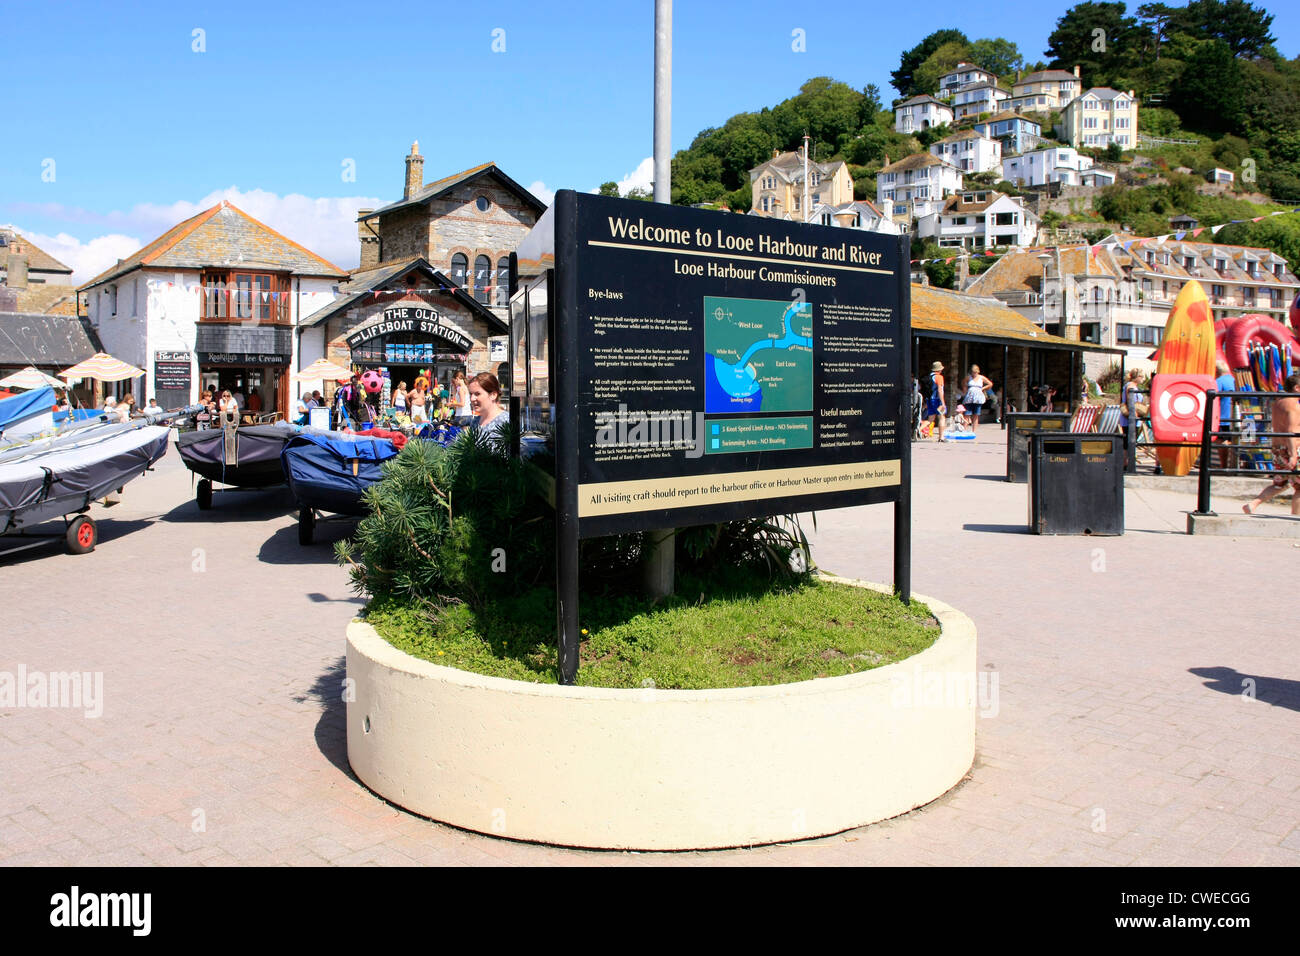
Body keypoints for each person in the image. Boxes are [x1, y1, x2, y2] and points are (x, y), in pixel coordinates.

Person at [1245, 373, 1300, 515]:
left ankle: (1253, 503)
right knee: (1299, 488)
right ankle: (1295, 519)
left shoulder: (1278, 402)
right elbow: (1291, 430)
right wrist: (1294, 455)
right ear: (1297, 388)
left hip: (1278, 448)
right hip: (1293, 448)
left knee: (1280, 484)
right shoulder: (1293, 404)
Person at [468, 371, 508, 439]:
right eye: (470, 394)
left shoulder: (506, 422)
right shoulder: (475, 422)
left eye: (477, 394)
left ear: (493, 395)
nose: (472, 398)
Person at [1214, 361, 1236, 470]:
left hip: (1222, 418)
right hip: (1235, 418)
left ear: (1216, 370)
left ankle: (1223, 466)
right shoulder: (1234, 380)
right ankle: (1233, 465)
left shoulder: (1218, 382)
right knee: (1235, 440)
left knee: (1221, 442)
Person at [962, 365, 993, 434]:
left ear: (977, 372)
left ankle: (974, 431)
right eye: (973, 372)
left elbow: (990, 384)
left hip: (978, 398)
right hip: (969, 397)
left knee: (976, 414)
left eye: (975, 372)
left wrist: (983, 388)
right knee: (967, 414)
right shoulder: (969, 378)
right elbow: (963, 382)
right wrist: (965, 390)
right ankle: (964, 430)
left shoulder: (981, 378)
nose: (974, 374)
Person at [924, 361, 946, 442]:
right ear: (939, 369)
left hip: (929, 400)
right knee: (942, 417)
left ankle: (917, 430)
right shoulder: (939, 377)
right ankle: (941, 437)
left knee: (930, 418)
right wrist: (943, 402)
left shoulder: (929, 376)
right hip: (937, 400)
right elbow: (940, 390)